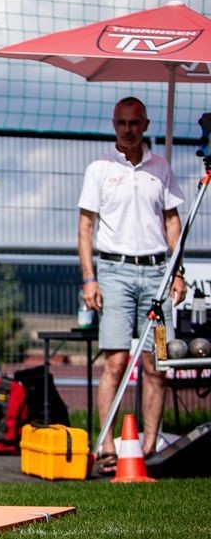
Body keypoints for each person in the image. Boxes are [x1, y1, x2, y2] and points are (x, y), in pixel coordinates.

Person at [78, 96, 185, 476]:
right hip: (115, 274)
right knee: (115, 362)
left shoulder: (161, 168)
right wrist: (89, 278)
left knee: (157, 364)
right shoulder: (100, 169)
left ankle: (152, 446)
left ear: (146, 124)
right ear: (113, 125)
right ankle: (108, 445)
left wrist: (178, 271)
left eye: (134, 123)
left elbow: (173, 221)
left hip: (157, 275)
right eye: (122, 123)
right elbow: (86, 227)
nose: (128, 129)